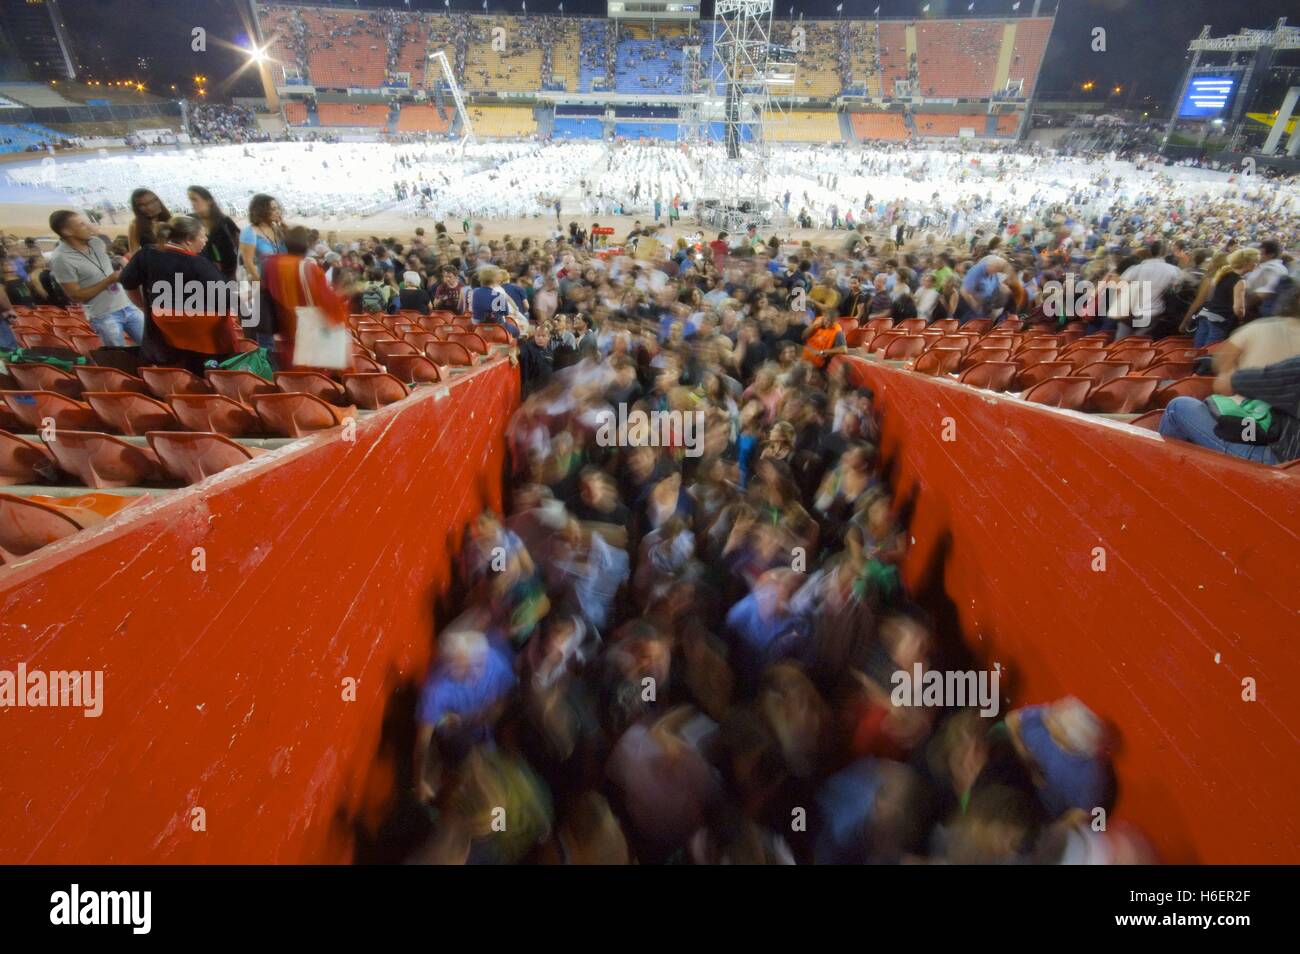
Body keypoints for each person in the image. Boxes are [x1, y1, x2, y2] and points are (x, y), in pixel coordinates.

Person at [119, 214, 233, 370]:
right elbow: (226, 298)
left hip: (162, 325)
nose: (205, 240)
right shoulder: (198, 263)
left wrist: (145, 308)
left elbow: (127, 282)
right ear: (188, 240)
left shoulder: (147, 253)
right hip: (199, 328)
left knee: (179, 363)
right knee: (204, 362)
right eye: (202, 236)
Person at [46, 209, 145, 347]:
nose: (88, 227)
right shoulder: (61, 258)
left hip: (128, 306)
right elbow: (75, 295)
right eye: (82, 224)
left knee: (151, 348)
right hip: (104, 315)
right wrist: (108, 281)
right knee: (121, 358)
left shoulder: (96, 243)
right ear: (66, 232)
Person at [1181, 248, 1258, 348]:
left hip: (1206, 315)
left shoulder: (1223, 274)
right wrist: (1241, 318)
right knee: (1207, 354)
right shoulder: (1240, 281)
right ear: (1248, 263)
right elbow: (1238, 308)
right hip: (1219, 320)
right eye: (1256, 261)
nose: (1257, 264)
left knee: (1197, 350)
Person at [187, 185, 241, 281]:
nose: (192, 204)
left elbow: (239, 243)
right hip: (203, 273)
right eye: (190, 200)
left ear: (209, 201)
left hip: (228, 273)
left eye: (195, 200)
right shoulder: (191, 221)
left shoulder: (224, 222)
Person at [239, 193, 286, 281]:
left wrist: (283, 224)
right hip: (265, 282)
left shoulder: (277, 229)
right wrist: (260, 282)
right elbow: (248, 262)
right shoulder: (249, 232)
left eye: (277, 208)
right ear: (261, 211)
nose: (278, 211)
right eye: (273, 209)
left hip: (282, 280)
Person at [126, 188, 171, 253]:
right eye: (143, 205)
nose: (150, 207)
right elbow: (134, 253)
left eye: (153, 201)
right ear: (137, 208)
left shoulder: (171, 219)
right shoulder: (135, 225)